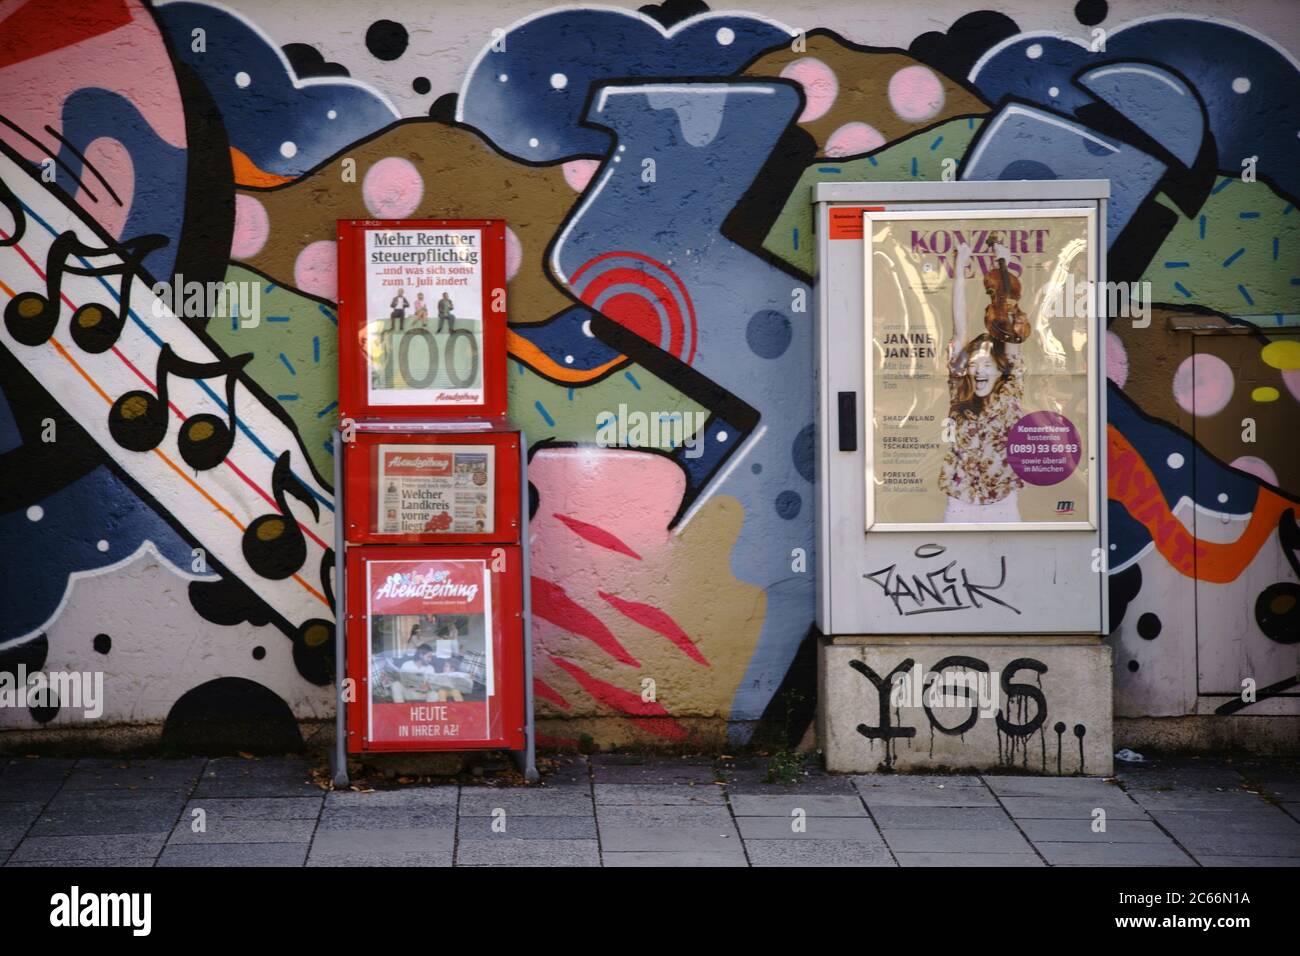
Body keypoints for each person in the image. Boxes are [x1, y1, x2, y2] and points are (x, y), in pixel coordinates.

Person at [938, 239, 1029, 523]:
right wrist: (959, 268)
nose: (979, 371)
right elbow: (960, 326)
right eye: (974, 365)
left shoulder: (1010, 386)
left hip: (1003, 502)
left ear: (1000, 369)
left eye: (987, 365)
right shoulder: (959, 391)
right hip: (960, 503)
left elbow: (1009, 322)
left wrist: (1002, 266)